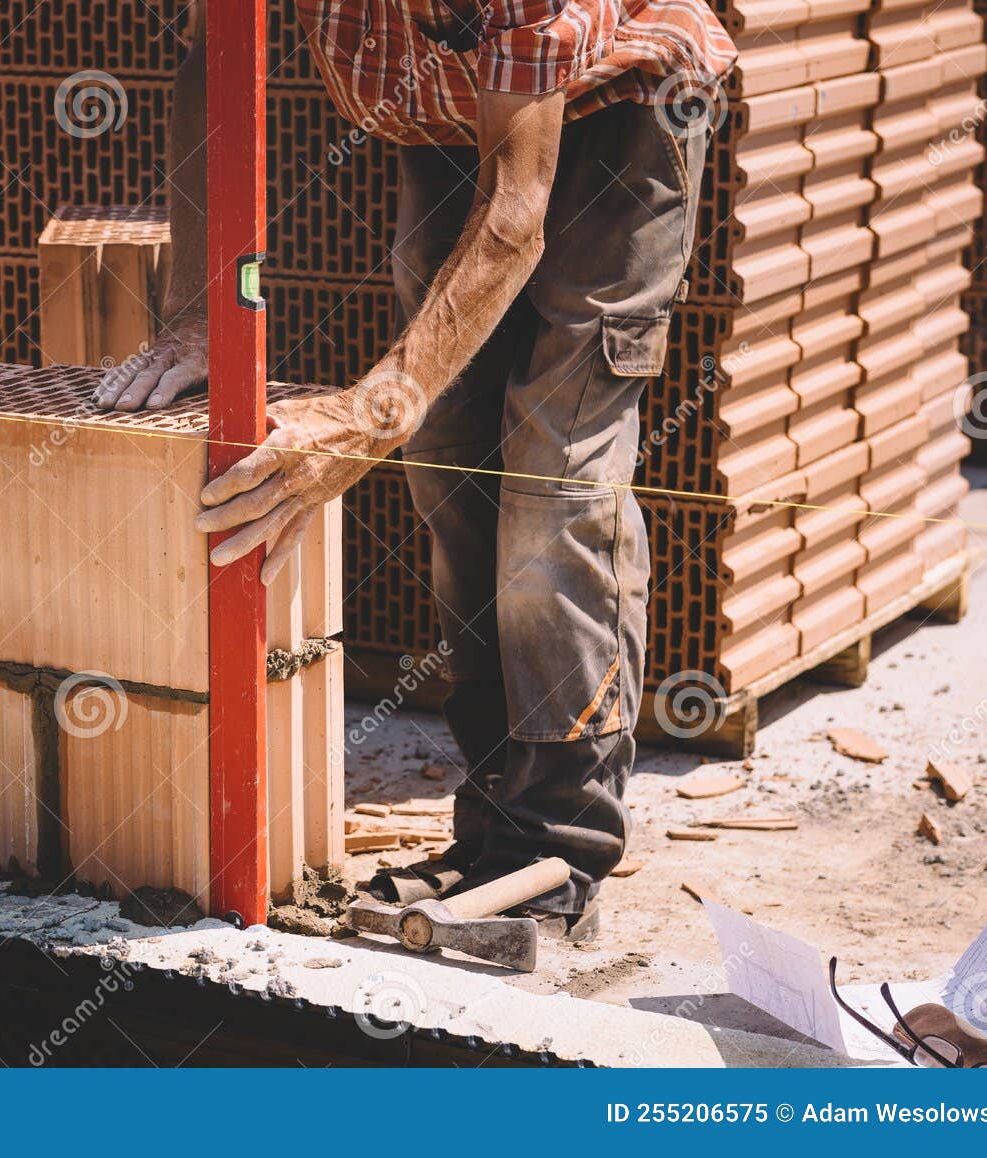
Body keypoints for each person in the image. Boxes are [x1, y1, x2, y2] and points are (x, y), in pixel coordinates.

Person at [97, 0, 736, 940]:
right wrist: (197, 307)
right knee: (448, 469)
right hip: (443, 119)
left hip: (626, 117)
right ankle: (490, 829)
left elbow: (514, 219)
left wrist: (368, 412)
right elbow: (212, 61)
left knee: (554, 483)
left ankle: (558, 847)